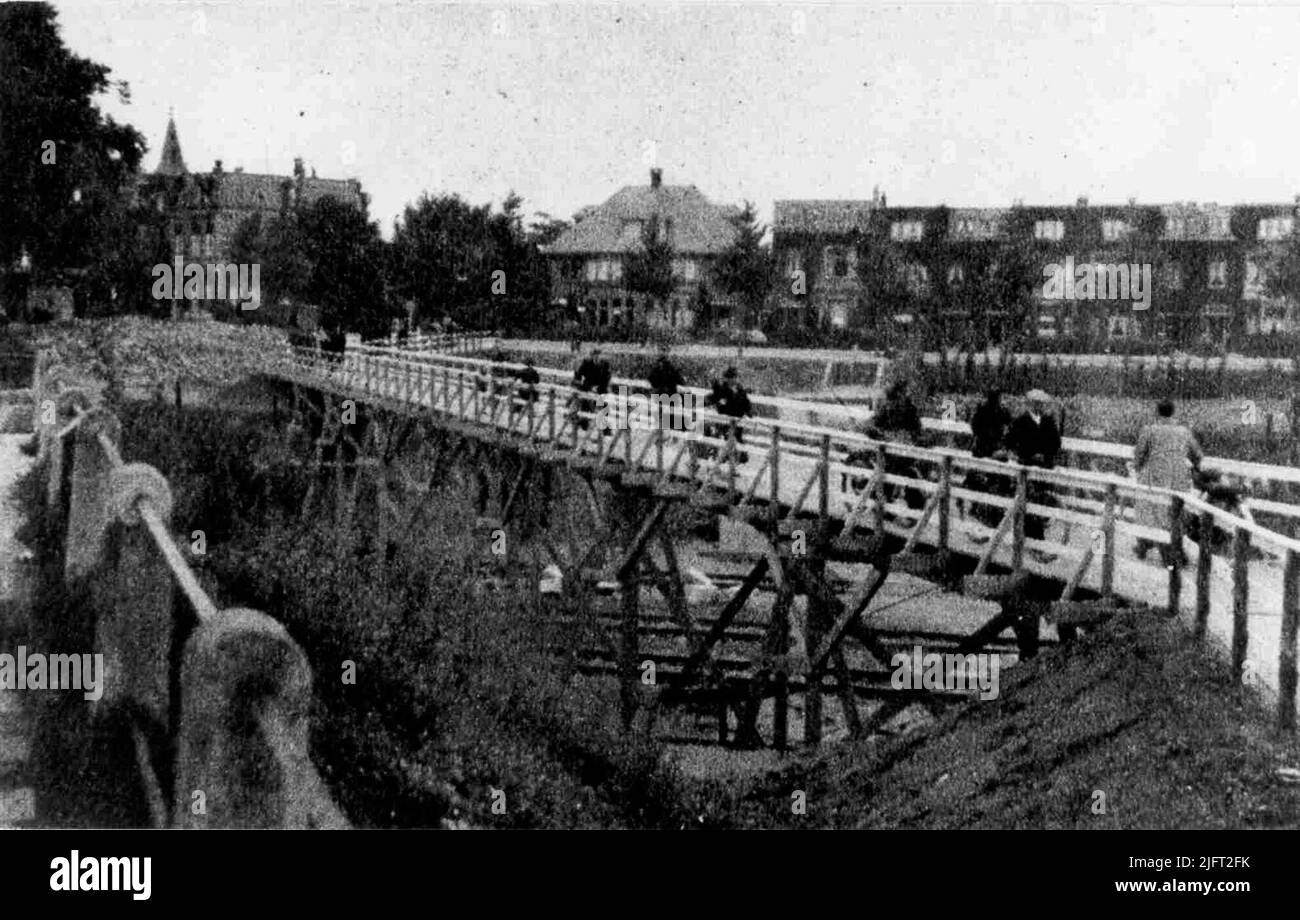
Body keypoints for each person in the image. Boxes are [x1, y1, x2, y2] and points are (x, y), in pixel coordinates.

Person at [1133, 399, 1203, 565]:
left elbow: (1139, 456)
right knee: (1174, 517)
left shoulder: (1149, 430)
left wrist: (1138, 467)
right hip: (1179, 481)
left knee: (1149, 513)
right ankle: (1172, 552)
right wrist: (1194, 468)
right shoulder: (1184, 432)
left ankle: (1149, 549)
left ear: (1157, 412)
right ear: (1173, 412)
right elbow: (1198, 455)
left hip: (1155, 479)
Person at [1006, 388, 1061, 561]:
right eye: (1036, 403)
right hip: (1027, 468)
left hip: (1044, 468)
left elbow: (1056, 442)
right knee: (1030, 505)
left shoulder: (1048, 421)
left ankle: (1033, 542)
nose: (1039, 406)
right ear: (1030, 404)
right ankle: (1037, 546)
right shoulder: (1021, 421)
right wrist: (1028, 454)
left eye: (1041, 403)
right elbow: (1010, 441)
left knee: (1042, 504)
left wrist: (1046, 454)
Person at [967, 388, 1012, 530]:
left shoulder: (982, 410)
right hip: (993, 450)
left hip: (983, 449)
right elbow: (1010, 426)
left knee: (981, 478)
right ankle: (995, 511)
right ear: (999, 398)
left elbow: (974, 427)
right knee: (999, 479)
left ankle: (978, 507)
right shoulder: (1002, 411)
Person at [704, 366, 752, 461]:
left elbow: (745, 402)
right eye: (730, 378)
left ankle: (734, 459)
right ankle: (725, 459)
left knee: (736, 440)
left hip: (736, 420)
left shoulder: (739, 389)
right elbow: (716, 392)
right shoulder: (724, 388)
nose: (732, 380)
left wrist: (749, 411)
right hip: (725, 420)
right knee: (728, 439)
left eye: (733, 378)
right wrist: (713, 381)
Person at [646, 343, 685, 433]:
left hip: (663, 396)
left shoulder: (659, 365)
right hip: (667, 396)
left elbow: (651, 380)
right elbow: (680, 380)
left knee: (663, 421)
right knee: (668, 420)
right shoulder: (668, 366)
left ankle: (663, 439)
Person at [572, 348, 611, 430]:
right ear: (592, 355)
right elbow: (579, 375)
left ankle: (605, 428)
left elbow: (607, 377)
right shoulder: (586, 363)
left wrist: (599, 387)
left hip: (600, 388)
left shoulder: (605, 364)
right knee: (585, 402)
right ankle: (584, 424)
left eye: (598, 355)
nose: (596, 356)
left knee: (604, 403)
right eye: (594, 355)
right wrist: (583, 384)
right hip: (588, 387)